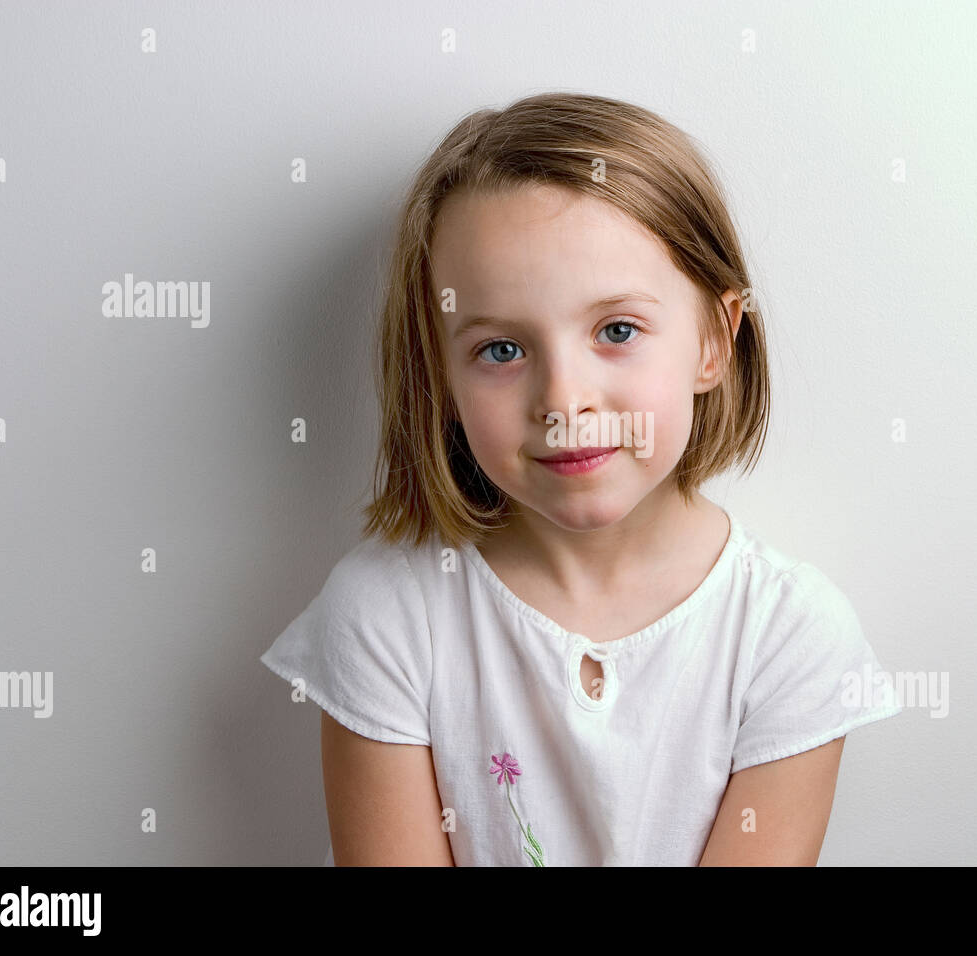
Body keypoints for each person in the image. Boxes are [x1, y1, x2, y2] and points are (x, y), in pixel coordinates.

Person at [260, 92, 902, 866]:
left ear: (713, 343)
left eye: (617, 331)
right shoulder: (388, 615)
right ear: (443, 378)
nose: (564, 401)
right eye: (501, 350)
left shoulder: (790, 634)